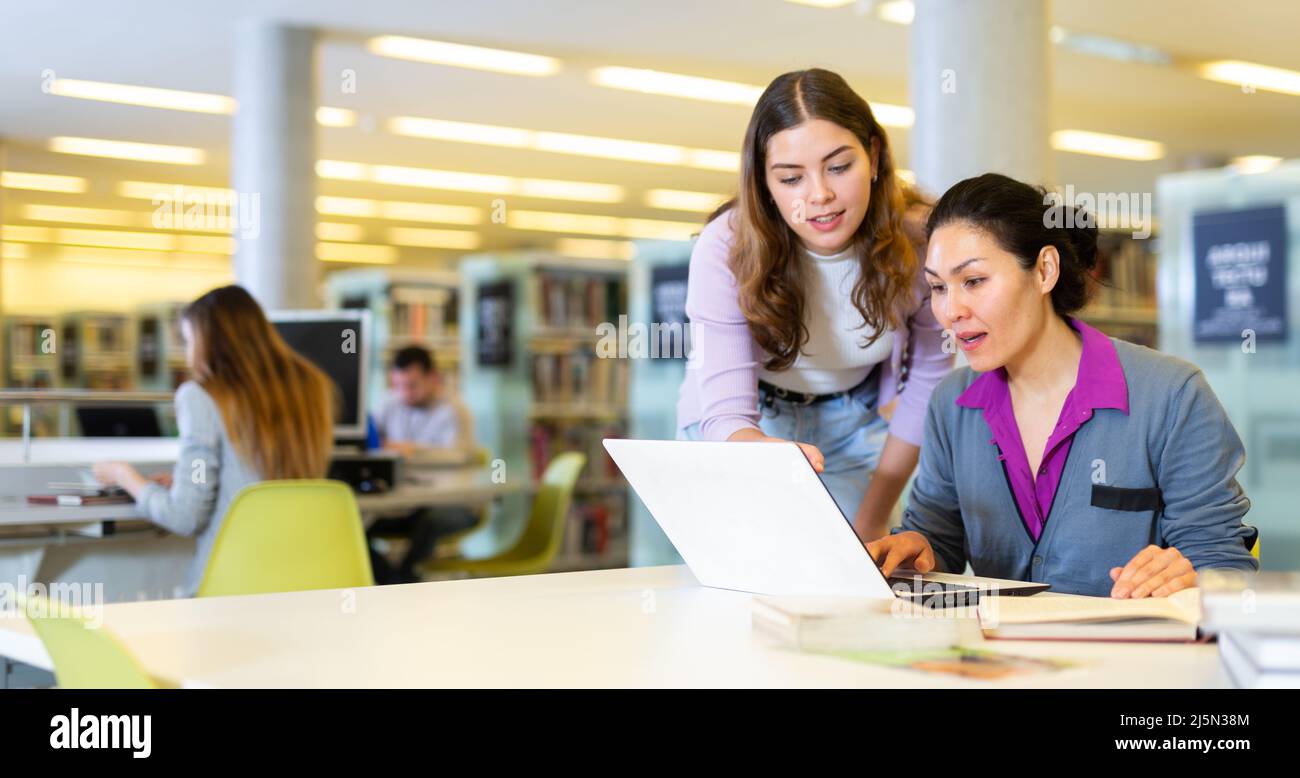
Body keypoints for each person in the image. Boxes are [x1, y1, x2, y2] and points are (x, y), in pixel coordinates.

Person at [866, 173, 1260, 598]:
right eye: (938, 287)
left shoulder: (1172, 395)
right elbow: (937, 540)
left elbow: (1224, 561)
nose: (951, 310)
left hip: (1133, 657)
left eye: (974, 281)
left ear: (1044, 270)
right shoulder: (952, 404)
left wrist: (1191, 573)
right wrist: (917, 549)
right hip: (1002, 659)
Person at [676, 68, 952, 539]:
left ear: (875, 155)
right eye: (790, 178)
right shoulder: (726, 245)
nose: (819, 195)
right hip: (745, 424)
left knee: (856, 583)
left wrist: (873, 513)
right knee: (740, 578)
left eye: (839, 167)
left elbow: (927, 382)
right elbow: (727, 417)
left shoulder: (923, 242)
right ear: (763, 182)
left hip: (855, 424)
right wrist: (764, 458)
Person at [93, 285, 335, 597]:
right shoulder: (312, 387)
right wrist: (189, 481)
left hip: (230, 589)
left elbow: (185, 517)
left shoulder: (201, 396)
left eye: (189, 339)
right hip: (305, 584)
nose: (188, 352)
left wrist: (125, 476)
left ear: (210, 341)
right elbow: (260, 480)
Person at [367, 345, 479, 584]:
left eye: (412, 385)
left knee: (428, 522)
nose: (405, 393)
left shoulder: (455, 410)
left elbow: (457, 456)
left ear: (433, 378)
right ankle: (394, 581)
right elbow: (372, 444)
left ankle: (403, 581)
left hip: (453, 504)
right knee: (354, 526)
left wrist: (410, 449)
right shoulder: (390, 403)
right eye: (398, 385)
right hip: (407, 504)